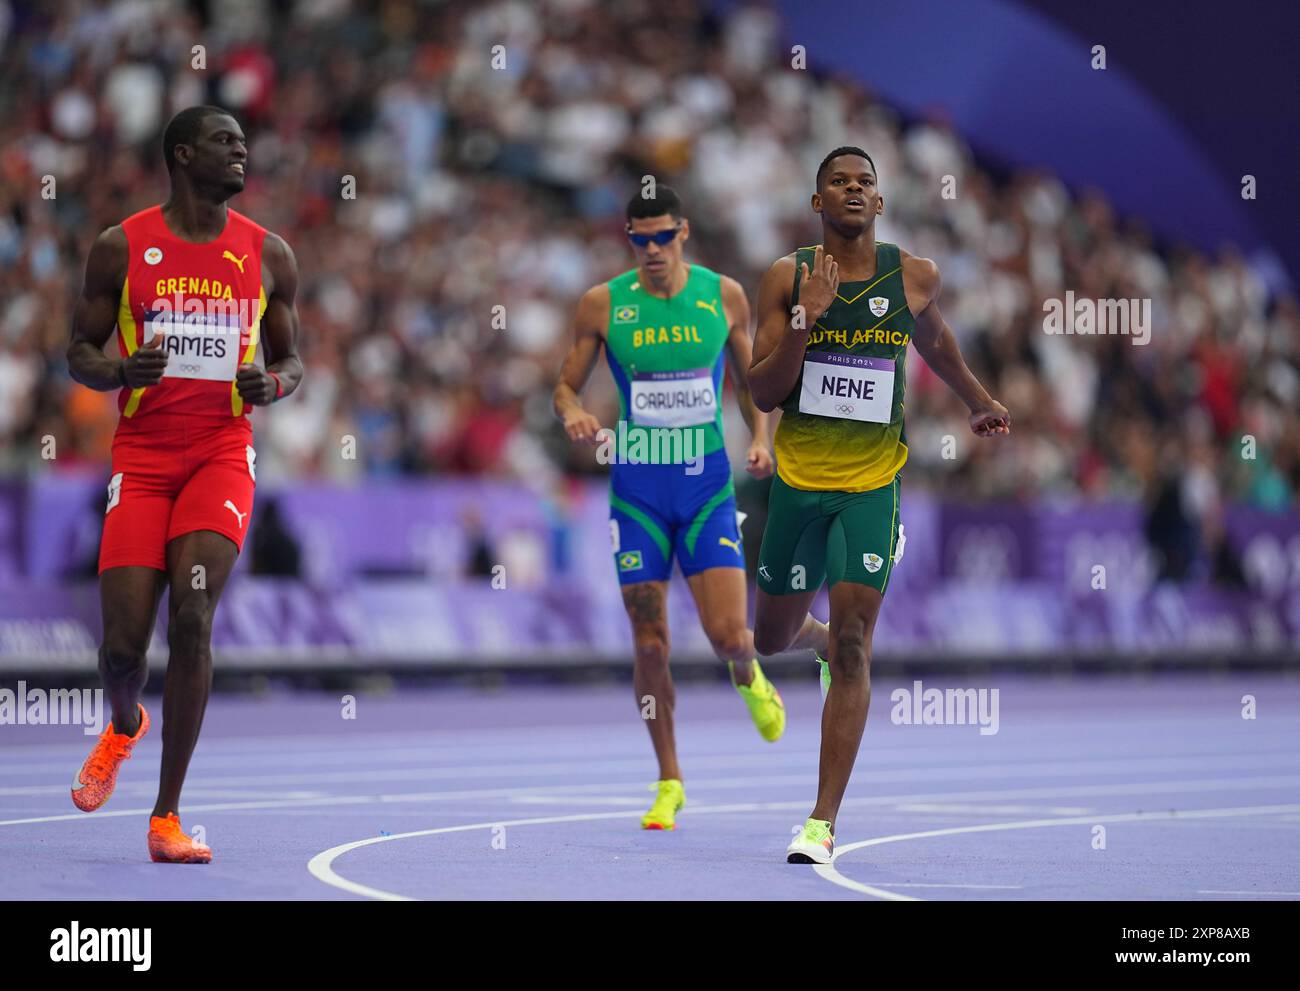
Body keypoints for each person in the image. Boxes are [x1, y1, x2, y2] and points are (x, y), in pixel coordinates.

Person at [747, 147, 1010, 863]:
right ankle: (817, 640)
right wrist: (806, 320)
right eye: (839, 181)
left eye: (866, 181)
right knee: (769, 635)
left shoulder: (913, 276)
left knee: (860, 638)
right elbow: (764, 391)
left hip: (873, 484)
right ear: (817, 202)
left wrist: (979, 402)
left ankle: (821, 821)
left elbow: (938, 343)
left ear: (881, 203)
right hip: (799, 483)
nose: (854, 189)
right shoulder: (787, 276)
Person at [66, 106, 303, 863]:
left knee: (194, 613)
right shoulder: (121, 247)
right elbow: (79, 351)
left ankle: (166, 815)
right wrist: (116, 372)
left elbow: (293, 361)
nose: (241, 152)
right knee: (120, 649)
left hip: (219, 454)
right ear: (181, 154)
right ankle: (124, 721)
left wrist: (273, 383)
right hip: (142, 457)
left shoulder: (269, 255)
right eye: (224, 142)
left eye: (243, 142)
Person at [554, 186, 825, 830]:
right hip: (638, 497)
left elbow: (751, 381)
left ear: (682, 232)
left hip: (705, 491)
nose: (650, 251)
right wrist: (574, 413)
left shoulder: (723, 296)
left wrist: (760, 440)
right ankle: (669, 780)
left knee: (731, 636)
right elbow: (565, 385)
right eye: (638, 239)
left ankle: (750, 675)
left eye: (661, 237)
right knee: (650, 644)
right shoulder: (604, 304)